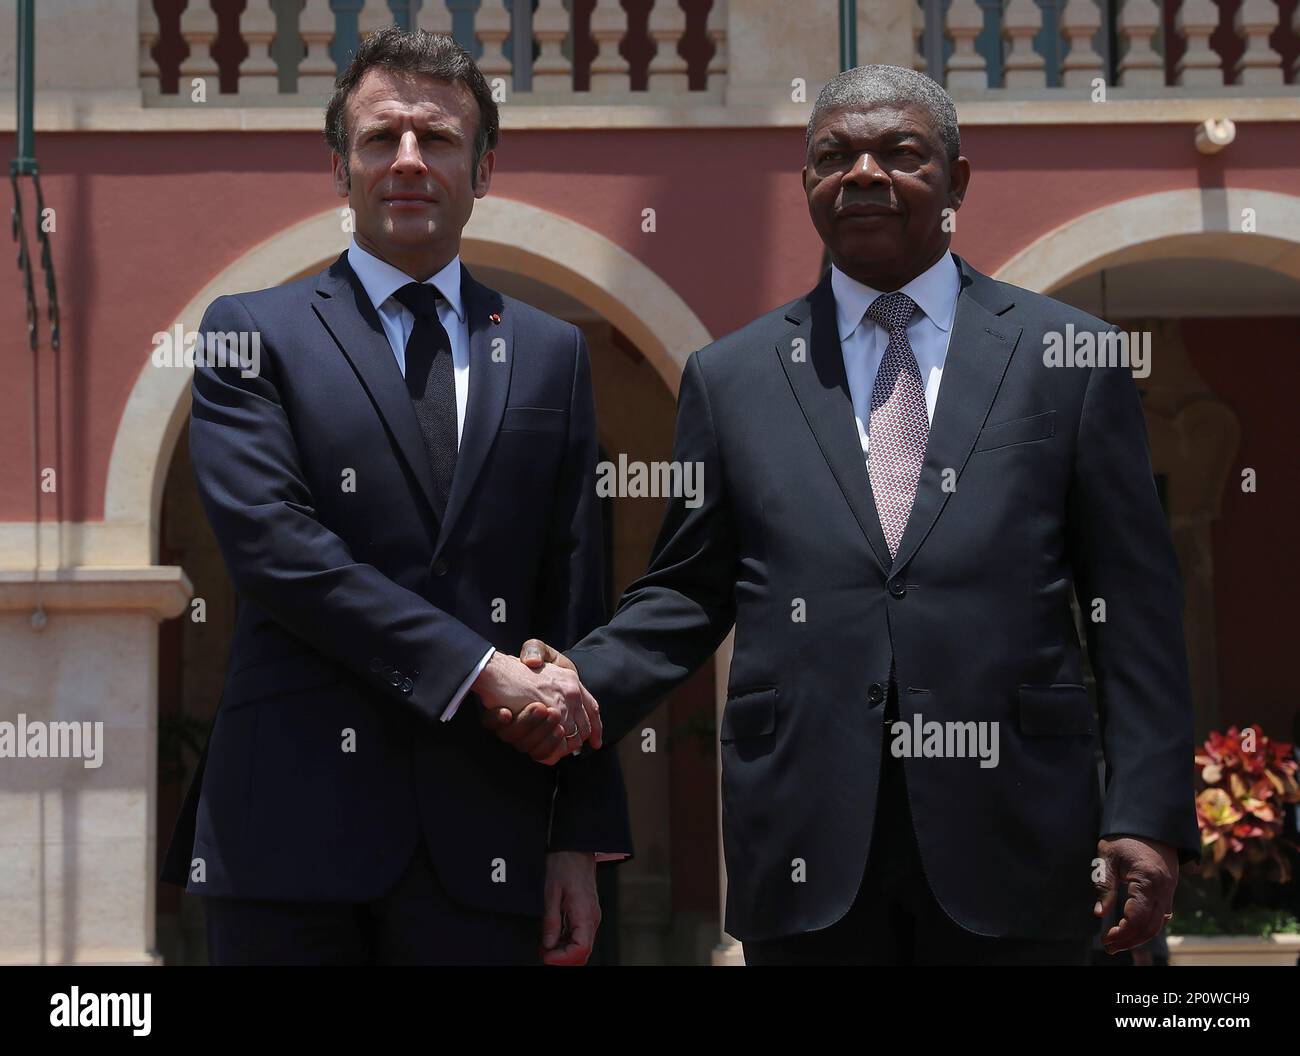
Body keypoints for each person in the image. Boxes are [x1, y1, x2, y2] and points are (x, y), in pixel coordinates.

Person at [489, 64, 1199, 965]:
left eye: (898, 152)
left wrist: (1146, 811)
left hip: (1017, 834)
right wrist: (575, 682)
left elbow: (1134, 606)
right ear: (808, 186)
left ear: (957, 181)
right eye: (834, 156)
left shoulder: (1067, 356)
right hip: (806, 842)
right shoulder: (733, 378)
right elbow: (686, 593)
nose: (862, 173)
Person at [160, 27, 629, 966]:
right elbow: (276, 550)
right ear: (341, 167)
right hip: (289, 832)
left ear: (484, 168)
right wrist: (479, 669)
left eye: (438, 139)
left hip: (486, 840)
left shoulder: (550, 352)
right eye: (381, 139)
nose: (408, 161)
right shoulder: (251, 331)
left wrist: (578, 838)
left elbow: (576, 594)